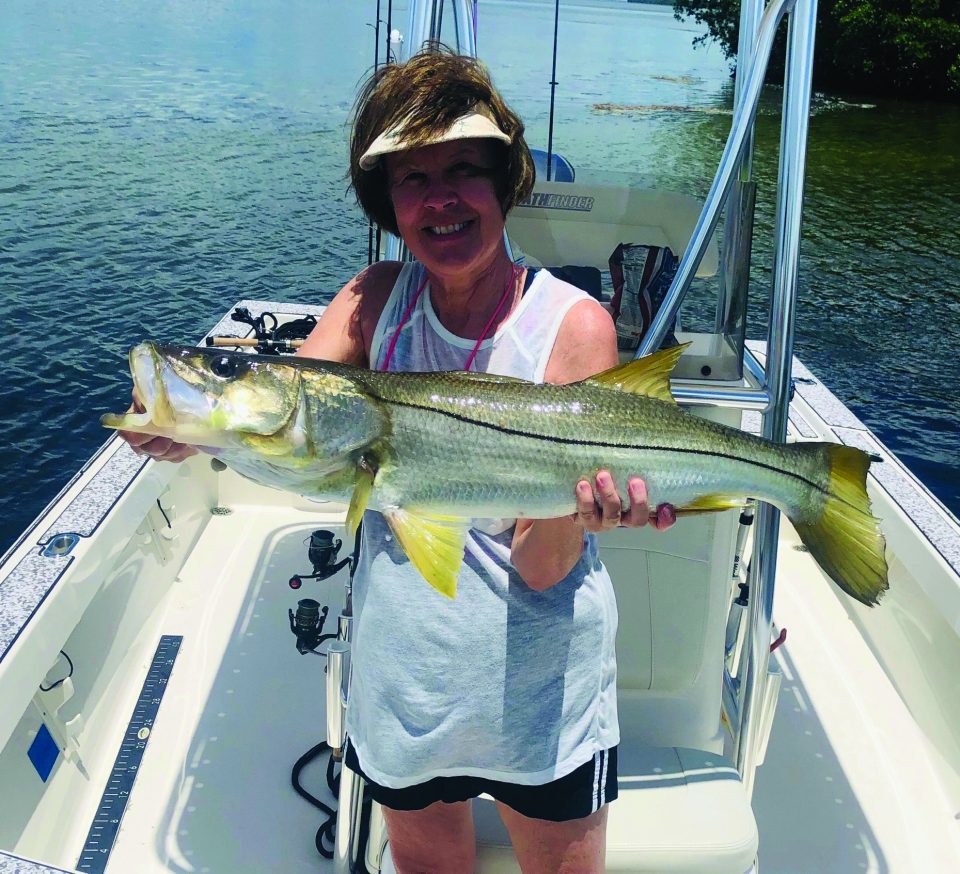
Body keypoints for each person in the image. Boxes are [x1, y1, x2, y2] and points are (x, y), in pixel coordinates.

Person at [122, 48, 675, 874]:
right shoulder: (372, 300)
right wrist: (202, 427)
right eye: (413, 178)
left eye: (463, 170)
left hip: (541, 690)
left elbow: (541, 568)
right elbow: (294, 406)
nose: (441, 199)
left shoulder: (574, 326)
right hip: (406, 680)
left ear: (505, 182)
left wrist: (580, 507)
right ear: (387, 199)